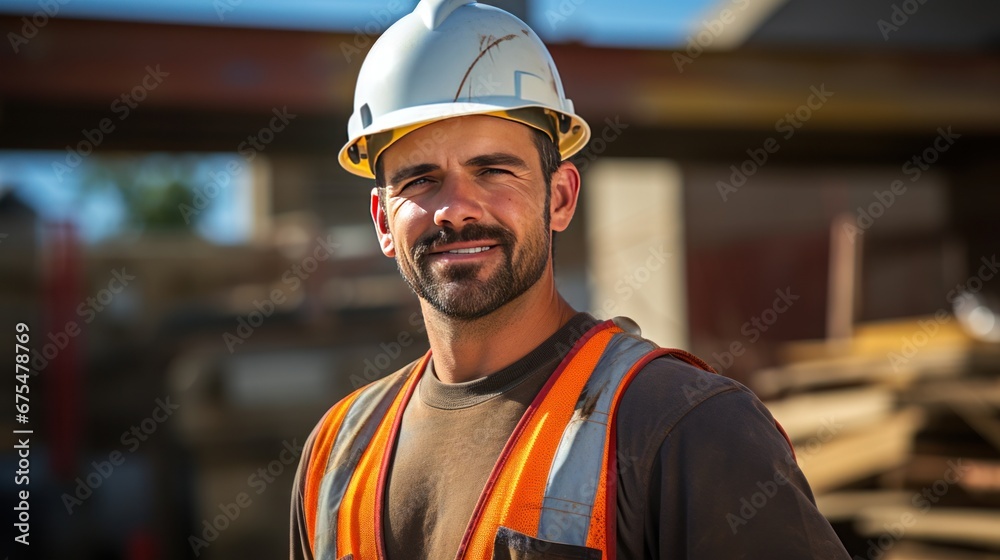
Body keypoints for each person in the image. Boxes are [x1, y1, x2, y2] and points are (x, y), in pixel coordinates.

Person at [290, 0, 851, 558]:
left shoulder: (680, 426)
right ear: (384, 221)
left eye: (492, 170)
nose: (454, 209)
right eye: (420, 179)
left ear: (559, 197)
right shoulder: (335, 455)